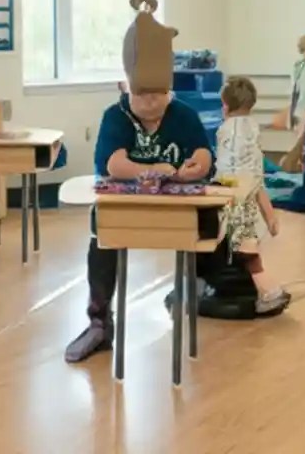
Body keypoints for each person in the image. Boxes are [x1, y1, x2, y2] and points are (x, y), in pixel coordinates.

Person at [64, 88, 213, 363]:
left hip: (177, 209)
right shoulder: (116, 116)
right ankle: (99, 323)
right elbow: (115, 164)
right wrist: (160, 169)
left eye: (157, 94)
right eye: (142, 94)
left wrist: (199, 166)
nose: (150, 101)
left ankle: (199, 287)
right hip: (125, 207)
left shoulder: (184, 115)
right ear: (127, 89)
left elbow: (203, 153)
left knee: (208, 223)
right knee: (102, 235)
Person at [216, 76, 287, 313]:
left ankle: (269, 292)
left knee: (247, 252)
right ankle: (260, 289)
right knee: (248, 246)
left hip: (233, 194)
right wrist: (269, 215)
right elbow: (255, 177)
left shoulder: (225, 130)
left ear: (225, 105)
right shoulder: (253, 128)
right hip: (250, 190)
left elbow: (228, 170)